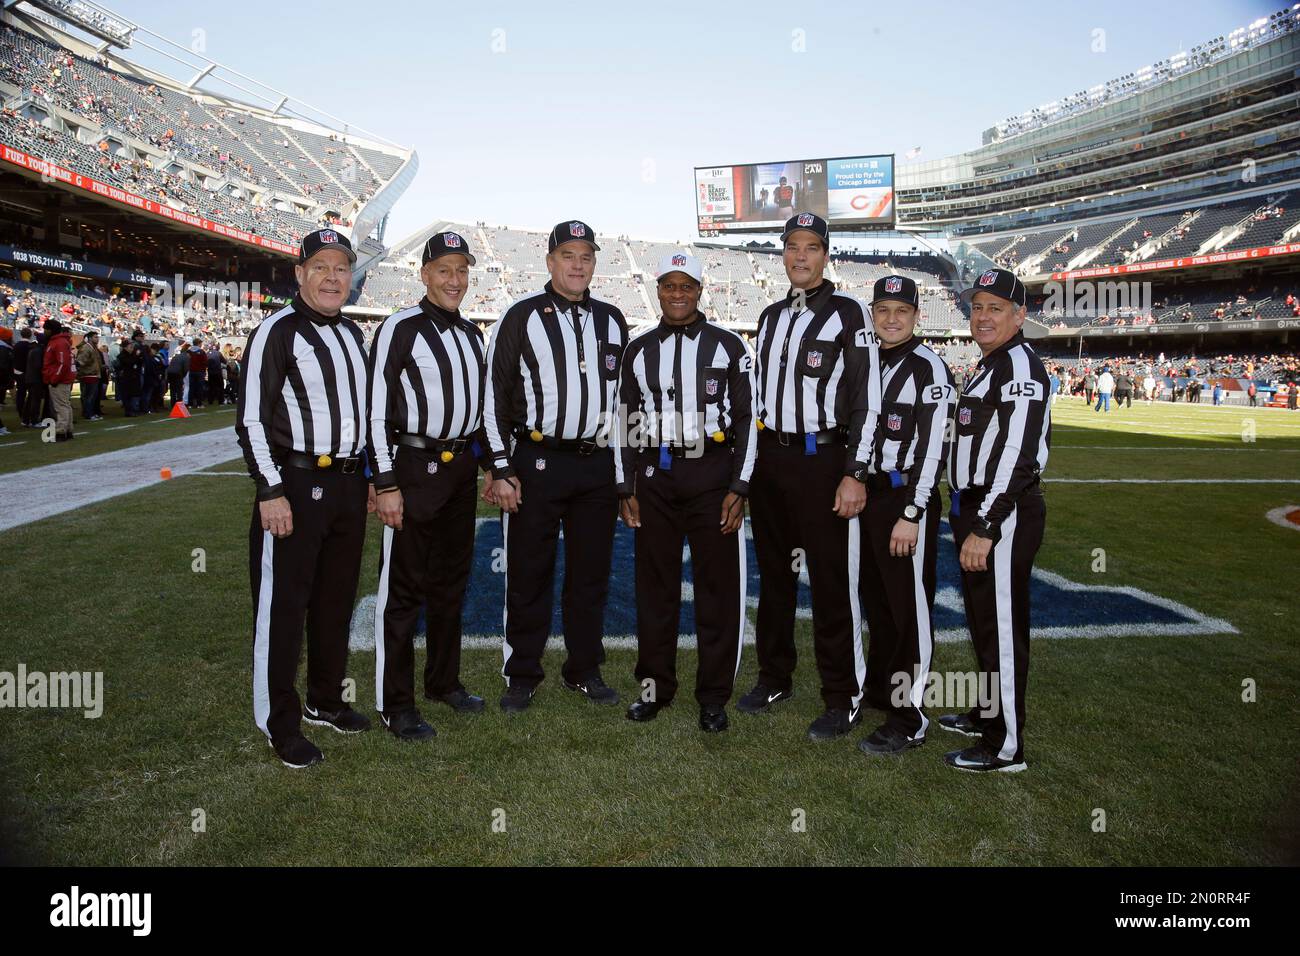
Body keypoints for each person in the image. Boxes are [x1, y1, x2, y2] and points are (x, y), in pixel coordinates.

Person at [739, 212, 881, 741]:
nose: (800, 256)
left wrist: (855, 473)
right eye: (792, 247)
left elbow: (868, 401)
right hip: (774, 459)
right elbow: (758, 402)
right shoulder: (772, 316)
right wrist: (749, 473)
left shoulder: (849, 315)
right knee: (774, 578)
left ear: (826, 255)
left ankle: (843, 694)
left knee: (831, 584)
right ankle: (775, 676)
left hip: (824, 460)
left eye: (811, 247)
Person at [236, 228, 373, 769]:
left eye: (342, 268)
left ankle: (324, 698)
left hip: (345, 484)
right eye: (321, 266)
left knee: (335, 600)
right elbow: (250, 419)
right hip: (293, 483)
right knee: (283, 609)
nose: (333, 276)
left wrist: (362, 479)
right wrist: (270, 491)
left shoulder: (350, 336)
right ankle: (279, 722)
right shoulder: (277, 330)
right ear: (299, 274)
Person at [483, 220, 628, 713]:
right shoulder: (519, 316)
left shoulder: (613, 320)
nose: (578, 264)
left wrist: (622, 474)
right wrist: (501, 468)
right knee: (529, 573)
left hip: (595, 465)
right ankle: (522, 672)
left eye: (586, 256)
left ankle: (583, 669)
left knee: (590, 576)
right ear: (549, 262)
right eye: (568, 255)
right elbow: (495, 397)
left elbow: (622, 402)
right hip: (537, 461)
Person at [616, 252, 757, 733]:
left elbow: (746, 422)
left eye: (686, 286)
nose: (678, 294)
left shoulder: (729, 346)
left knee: (716, 589)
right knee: (655, 588)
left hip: (712, 473)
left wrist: (739, 485)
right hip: (656, 474)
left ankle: (713, 696)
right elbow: (627, 422)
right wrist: (626, 483)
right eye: (669, 286)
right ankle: (654, 687)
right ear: (658, 289)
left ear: (700, 290)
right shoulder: (639, 349)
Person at [367, 231, 491, 741]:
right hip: (414, 467)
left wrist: (491, 467)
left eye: (462, 270)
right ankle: (395, 702)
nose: (454, 280)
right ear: (424, 274)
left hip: (459, 468)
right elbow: (373, 413)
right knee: (403, 591)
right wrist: (386, 482)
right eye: (444, 269)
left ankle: (444, 682)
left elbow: (480, 413)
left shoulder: (471, 336)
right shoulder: (401, 327)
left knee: (450, 585)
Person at [942, 268, 1051, 772]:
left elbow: (1020, 455)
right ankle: (989, 713)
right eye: (977, 307)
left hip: (999, 513)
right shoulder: (992, 363)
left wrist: (986, 526)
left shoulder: (1019, 367)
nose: (983, 316)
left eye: (996, 308)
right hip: (976, 507)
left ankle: (1005, 746)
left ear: (1020, 315)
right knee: (984, 622)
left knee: (1002, 628)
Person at [854, 275, 955, 756]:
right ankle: (882, 689)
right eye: (883, 310)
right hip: (870, 497)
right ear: (873, 314)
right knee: (878, 602)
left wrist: (914, 510)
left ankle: (910, 713)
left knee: (909, 608)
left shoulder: (928, 368)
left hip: (904, 499)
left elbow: (935, 449)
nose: (892, 319)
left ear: (918, 316)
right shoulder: (869, 360)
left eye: (902, 311)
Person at [41, 317, 75, 441]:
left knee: (60, 406)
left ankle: (61, 431)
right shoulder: (60, 342)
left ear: (51, 330)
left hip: (59, 380)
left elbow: (62, 363)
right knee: (65, 405)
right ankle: (68, 429)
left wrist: (54, 378)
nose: (44, 331)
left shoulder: (58, 343)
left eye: (46, 329)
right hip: (62, 378)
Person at [75, 330, 105, 421]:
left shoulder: (93, 348)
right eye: (95, 337)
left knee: (91, 396)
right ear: (89, 338)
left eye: (98, 337)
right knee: (89, 396)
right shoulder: (86, 348)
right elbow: (80, 362)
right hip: (88, 375)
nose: (97, 339)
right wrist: (85, 370)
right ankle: (88, 414)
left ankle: (90, 413)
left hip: (94, 374)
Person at [13, 327, 34, 424]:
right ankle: (26, 413)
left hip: (18, 371)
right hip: (28, 372)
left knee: (21, 393)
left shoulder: (16, 345)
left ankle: (20, 411)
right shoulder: (30, 346)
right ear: (30, 335)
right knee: (30, 394)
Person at [166, 343, 188, 408]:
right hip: (178, 374)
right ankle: (179, 405)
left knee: (173, 390)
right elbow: (186, 369)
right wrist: (183, 376)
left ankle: (172, 404)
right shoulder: (186, 357)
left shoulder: (176, 356)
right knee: (179, 390)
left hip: (170, 373)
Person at [188, 338, 208, 408]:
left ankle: (190, 404)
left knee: (191, 388)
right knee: (199, 388)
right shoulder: (201, 352)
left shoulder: (189, 351)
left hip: (191, 371)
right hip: (200, 372)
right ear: (199, 343)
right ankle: (199, 404)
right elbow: (205, 362)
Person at [207, 341, 225, 405]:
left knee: (211, 387)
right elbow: (224, 361)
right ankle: (221, 401)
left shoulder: (207, 354)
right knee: (220, 387)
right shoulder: (218, 353)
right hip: (217, 372)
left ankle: (210, 401)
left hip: (210, 373)